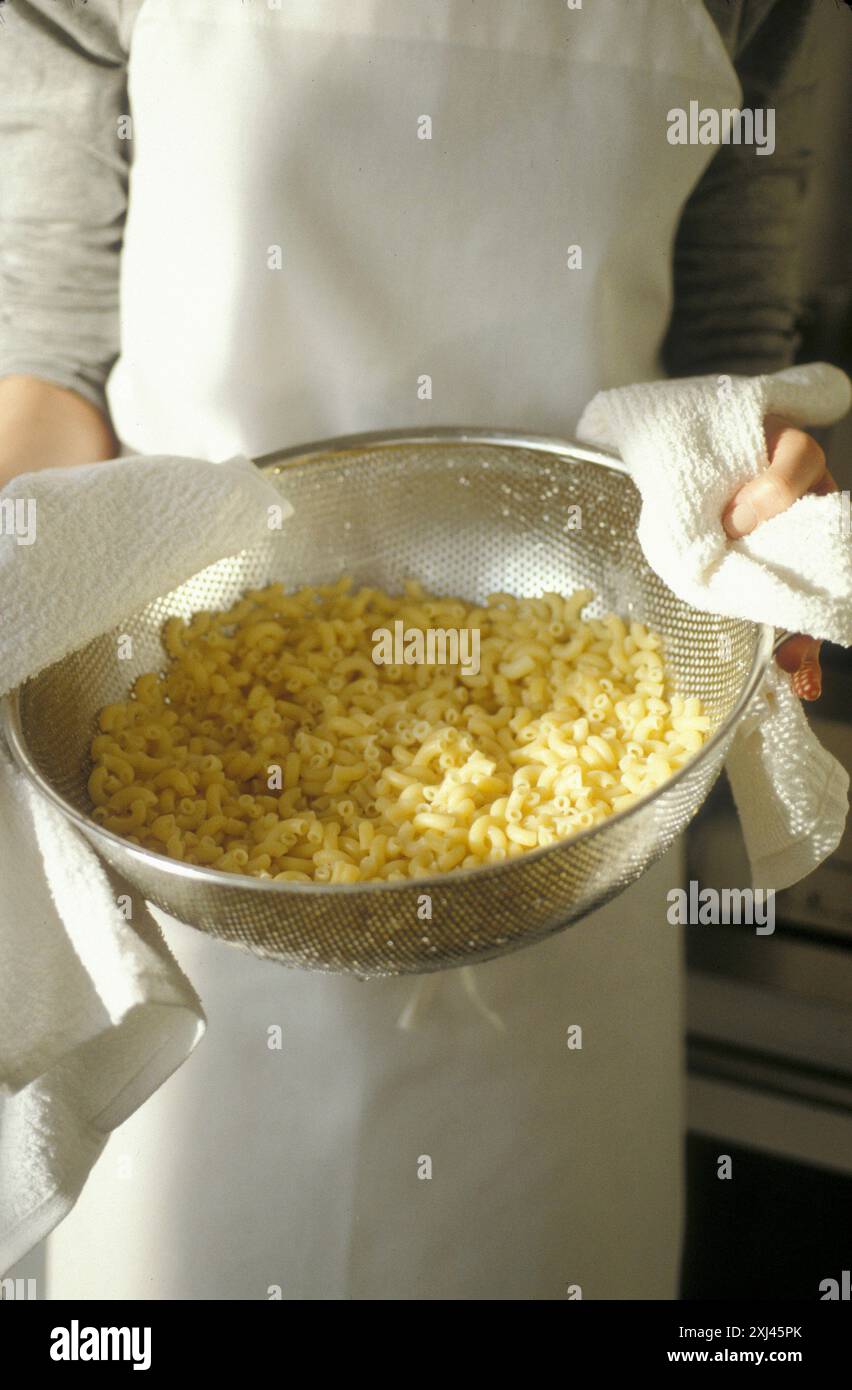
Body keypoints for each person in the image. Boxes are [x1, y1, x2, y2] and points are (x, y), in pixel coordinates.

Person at [0, 0, 836, 1298]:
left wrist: (761, 499)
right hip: (188, 841)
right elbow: (49, 368)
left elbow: (731, 344)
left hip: (581, 814)